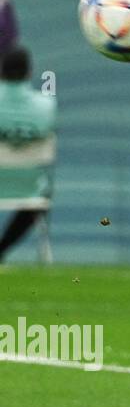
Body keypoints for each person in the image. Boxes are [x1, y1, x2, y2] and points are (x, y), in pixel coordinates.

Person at [0, 47, 55, 263]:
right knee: (42, 193)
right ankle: (1, 248)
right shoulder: (46, 106)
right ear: (29, 72)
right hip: (30, 188)